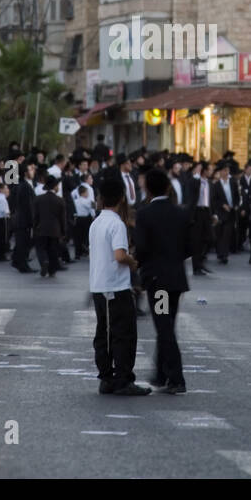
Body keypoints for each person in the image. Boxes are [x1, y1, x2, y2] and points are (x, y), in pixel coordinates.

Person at [87, 176, 148, 396]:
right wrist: (133, 263)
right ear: (122, 198)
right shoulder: (116, 224)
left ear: (101, 198)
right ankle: (123, 379)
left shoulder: (96, 222)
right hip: (115, 286)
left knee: (104, 332)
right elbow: (120, 255)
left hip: (98, 286)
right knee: (124, 333)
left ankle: (106, 377)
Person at [134, 168, 190, 394]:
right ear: (168, 187)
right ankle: (161, 374)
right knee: (166, 324)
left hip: (158, 282)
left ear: (147, 188)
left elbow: (142, 248)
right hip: (176, 279)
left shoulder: (145, 214)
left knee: (164, 327)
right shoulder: (181, 213)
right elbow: (191, 247)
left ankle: (176, 378)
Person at [34, 173, 66, 278]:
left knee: (41, 248)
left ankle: (44, 261)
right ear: (55, 186)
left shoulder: (38, 199)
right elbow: (62, 218)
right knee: (53, 250)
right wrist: (63, 231)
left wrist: (34, 227)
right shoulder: (60, 200)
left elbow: (35, 216)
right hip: (54, 230)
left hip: (41, 228)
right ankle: (52, 270)